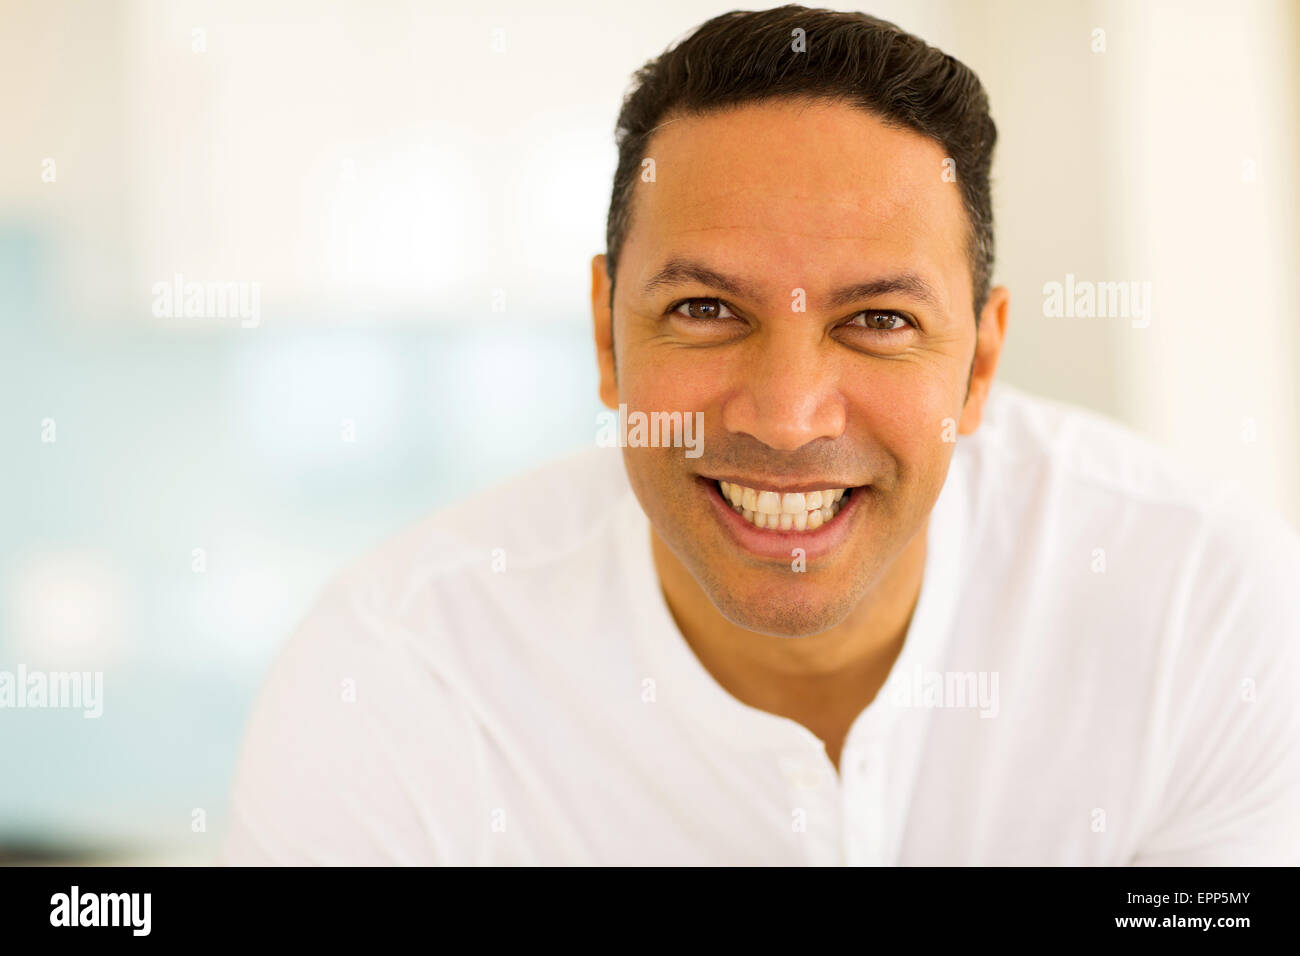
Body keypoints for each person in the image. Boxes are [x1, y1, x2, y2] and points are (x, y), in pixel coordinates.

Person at [219, 5, 1300, 865]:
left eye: (877, 321)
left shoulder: (1200, 606)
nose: (785, 417)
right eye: (704, 310)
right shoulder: (400, 675)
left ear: (977, 365)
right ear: (605, 334)